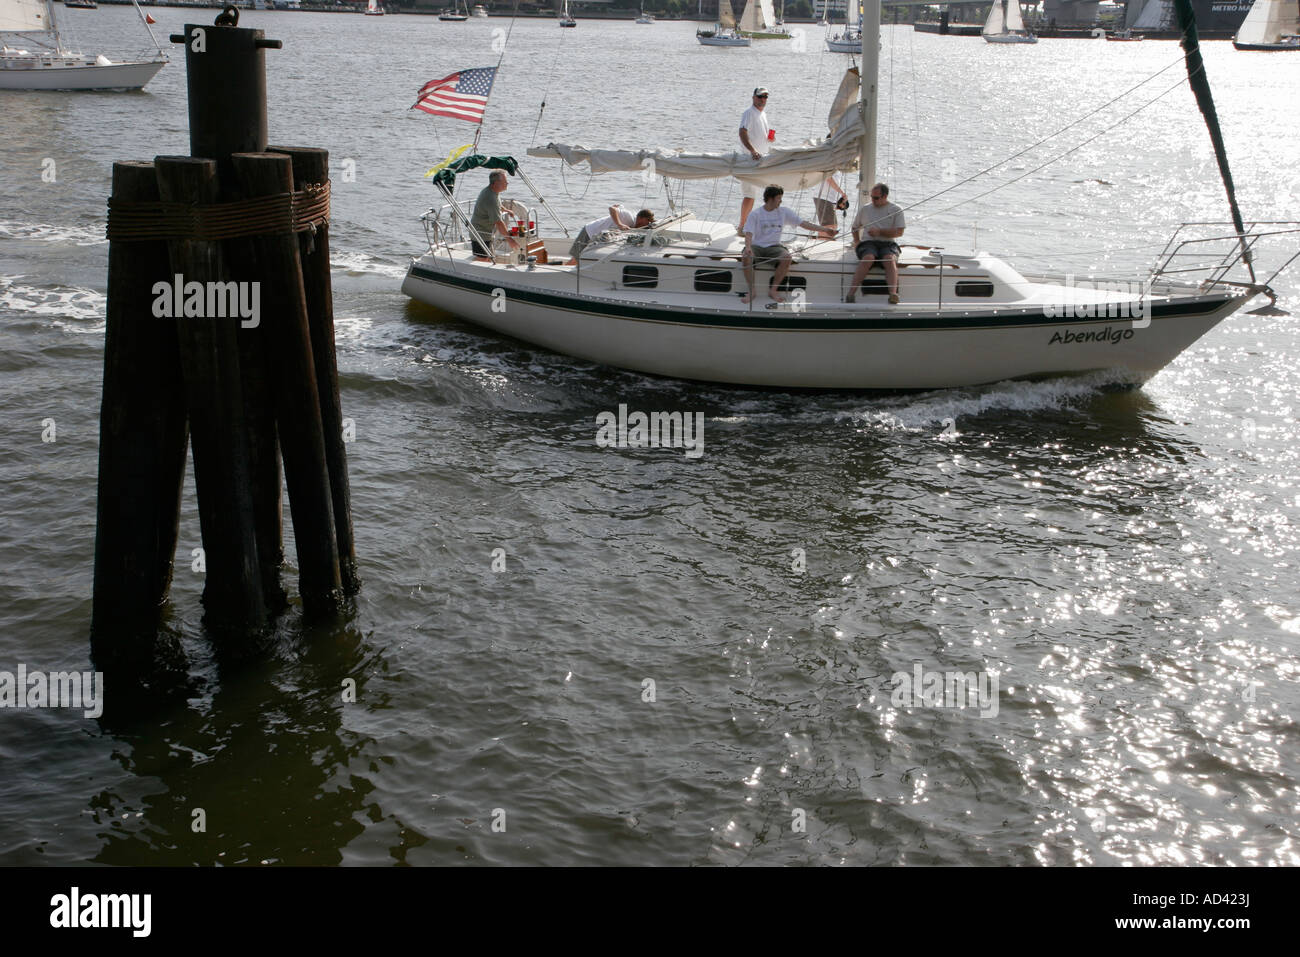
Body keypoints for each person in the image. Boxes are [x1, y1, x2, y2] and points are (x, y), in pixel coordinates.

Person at [741, 184, 834, 304]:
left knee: (787, 258)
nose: (781, 201)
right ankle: (752, 290)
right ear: (771, 198)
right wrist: (748, 247)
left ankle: (773, 290)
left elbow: (804, 224)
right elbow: (748, 234)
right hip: (756, 246)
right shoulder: (756, 214)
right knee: (746, 257)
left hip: (774, 246)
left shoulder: (783, 212)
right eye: (779, 198)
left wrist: (825, 230)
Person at [846, 182, 905, 304]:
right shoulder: (866, 209)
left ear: (885, 197)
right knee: (868, 257)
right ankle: (851, 293)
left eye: (876, 198)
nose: (873, 200)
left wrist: (880, 232)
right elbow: (855, 227)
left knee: (889, 259)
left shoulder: (896, 209)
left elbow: (899, 232)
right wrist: (857, 241)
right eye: (872, 197)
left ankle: (893, 294)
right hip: (868, 242)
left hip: (887, 243)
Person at [567, 204, 655, 265]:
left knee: (585, 258)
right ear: (641, 218)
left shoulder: (634, 224)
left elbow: (618, 207)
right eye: (648, 221)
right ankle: (563, 269)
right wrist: (619, 224)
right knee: (577, 259)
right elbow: (611, 209)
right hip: (590, 232)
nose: (648, 224)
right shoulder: (629, 217)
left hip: (599, 239)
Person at [737, 87, 772, 236]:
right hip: (751, 160)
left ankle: (753, 225)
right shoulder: (749, 113)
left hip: (762, 160)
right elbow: (742, 132)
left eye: (765, 97)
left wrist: (769, 139)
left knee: (763, 193)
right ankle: (741, 227)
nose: (762, 100)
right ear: (753, 97)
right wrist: (752, 150)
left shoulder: (762, 114)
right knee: (749, 194)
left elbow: (759, 134)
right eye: (760, 97)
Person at [469, 170, 520, 260]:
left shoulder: (493, 192)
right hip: (480, 234)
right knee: (483, 260)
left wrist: (507, 210)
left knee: (489, 257)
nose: (507, 183)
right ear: (496, 183)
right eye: (505, 181)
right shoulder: (490, 198)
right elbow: (499, 222)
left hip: (486, 232)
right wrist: (510, 240)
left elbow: (498, 204)